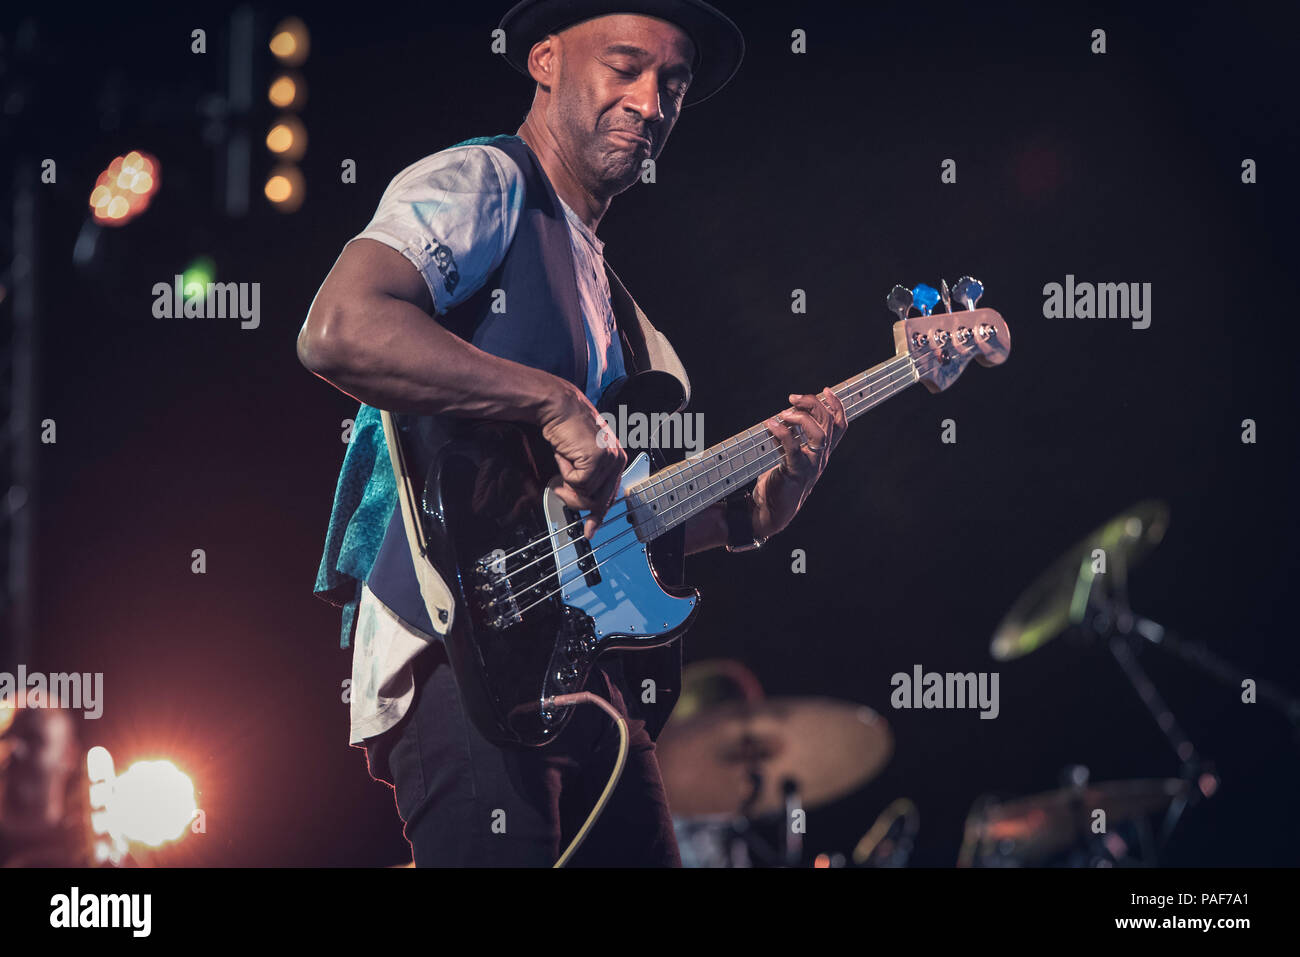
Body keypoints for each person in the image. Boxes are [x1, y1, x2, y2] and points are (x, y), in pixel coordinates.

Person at [297, 0, 848, 866]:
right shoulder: (485, 182)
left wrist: (769, 503)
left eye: (673, 83)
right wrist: (557, 404)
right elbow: (341, 327)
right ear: (546, 60)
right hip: (459, 649)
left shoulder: (635, 328)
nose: (651, 102)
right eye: (625, 67)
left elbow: (622, 528)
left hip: (589, 673)